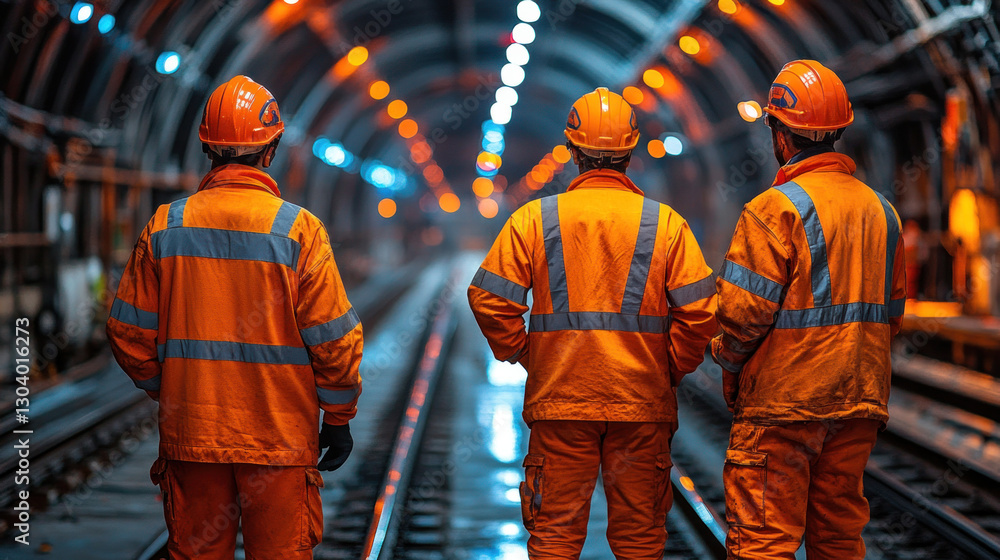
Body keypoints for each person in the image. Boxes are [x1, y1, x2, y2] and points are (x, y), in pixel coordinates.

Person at [106, 75, 363, 560]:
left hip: (193, 434)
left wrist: (180, 385)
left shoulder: (166, 226)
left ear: (207, 148)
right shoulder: (298, 231)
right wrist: (338, 416)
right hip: (280, 440)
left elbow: (127, 333)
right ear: (271, 148)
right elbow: (335, 341)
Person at [468, 87, 717, 559]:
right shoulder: (665, 224)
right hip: (641, 402)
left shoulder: (535, 219)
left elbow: (488, 297)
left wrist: (528, 355)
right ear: (631, 150)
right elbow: (702, 310)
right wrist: (670, 367)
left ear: (573, 151)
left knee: (556, 534)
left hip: (561, 401)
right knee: (640, 537)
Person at [712, 60, 906, 559]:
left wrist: (730, 367)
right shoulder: (883, 212)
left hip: (784, 406)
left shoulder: (772, 210)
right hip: (859, 401)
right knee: (839, 537)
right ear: (839, 130)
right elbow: (893, 314)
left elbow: (741, 318)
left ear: (780, 134)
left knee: (764, 539)